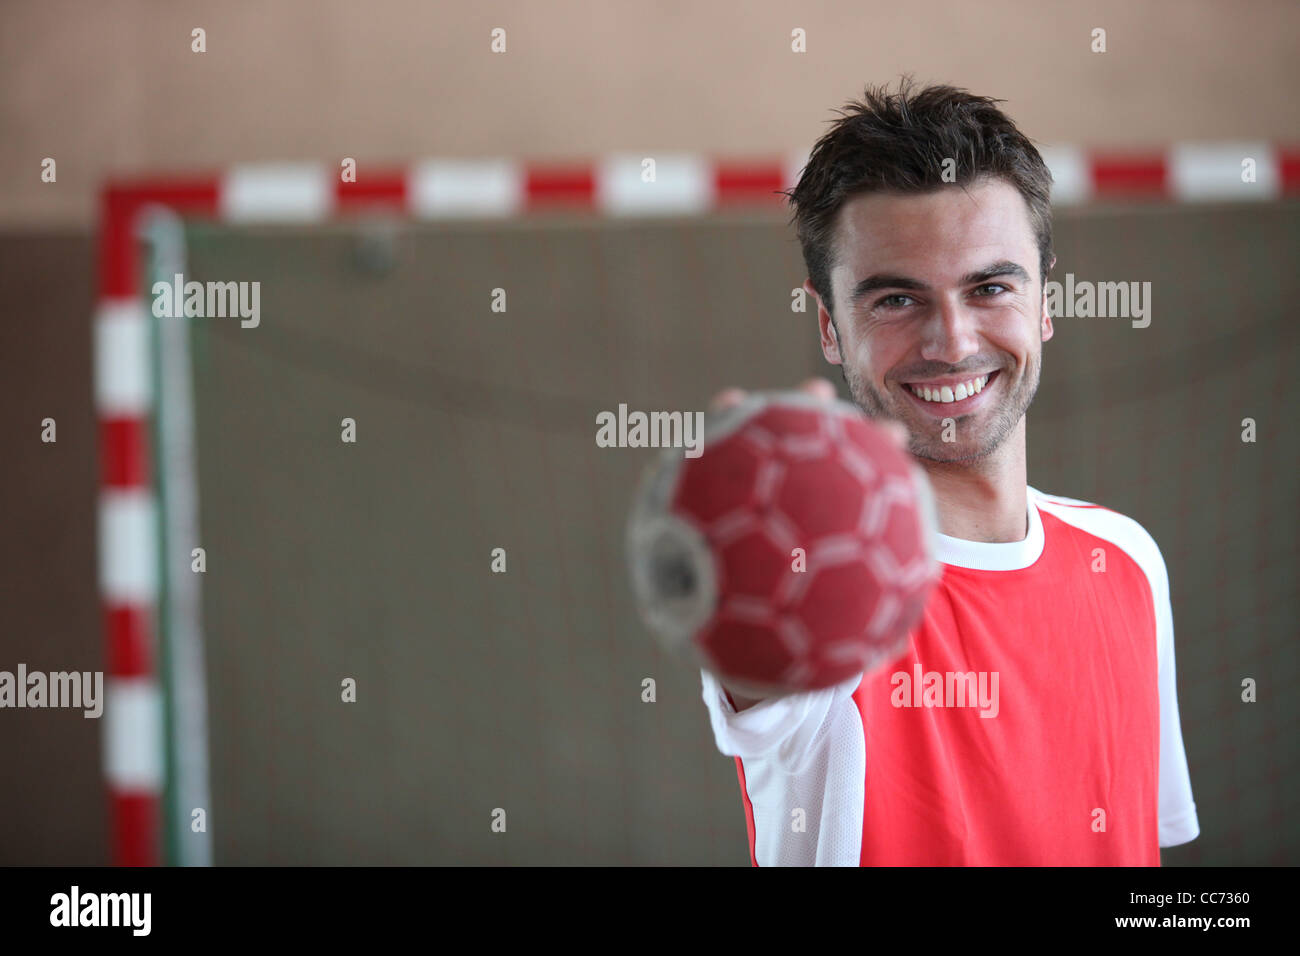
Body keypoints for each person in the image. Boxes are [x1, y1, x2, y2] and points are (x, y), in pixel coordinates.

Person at [703, 79, 1199, 866]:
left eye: (991, 287)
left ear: (1045, 301)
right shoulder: (824, 586)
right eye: (897, 299)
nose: (951, 340)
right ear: (829, 326)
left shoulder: (1128, 561)